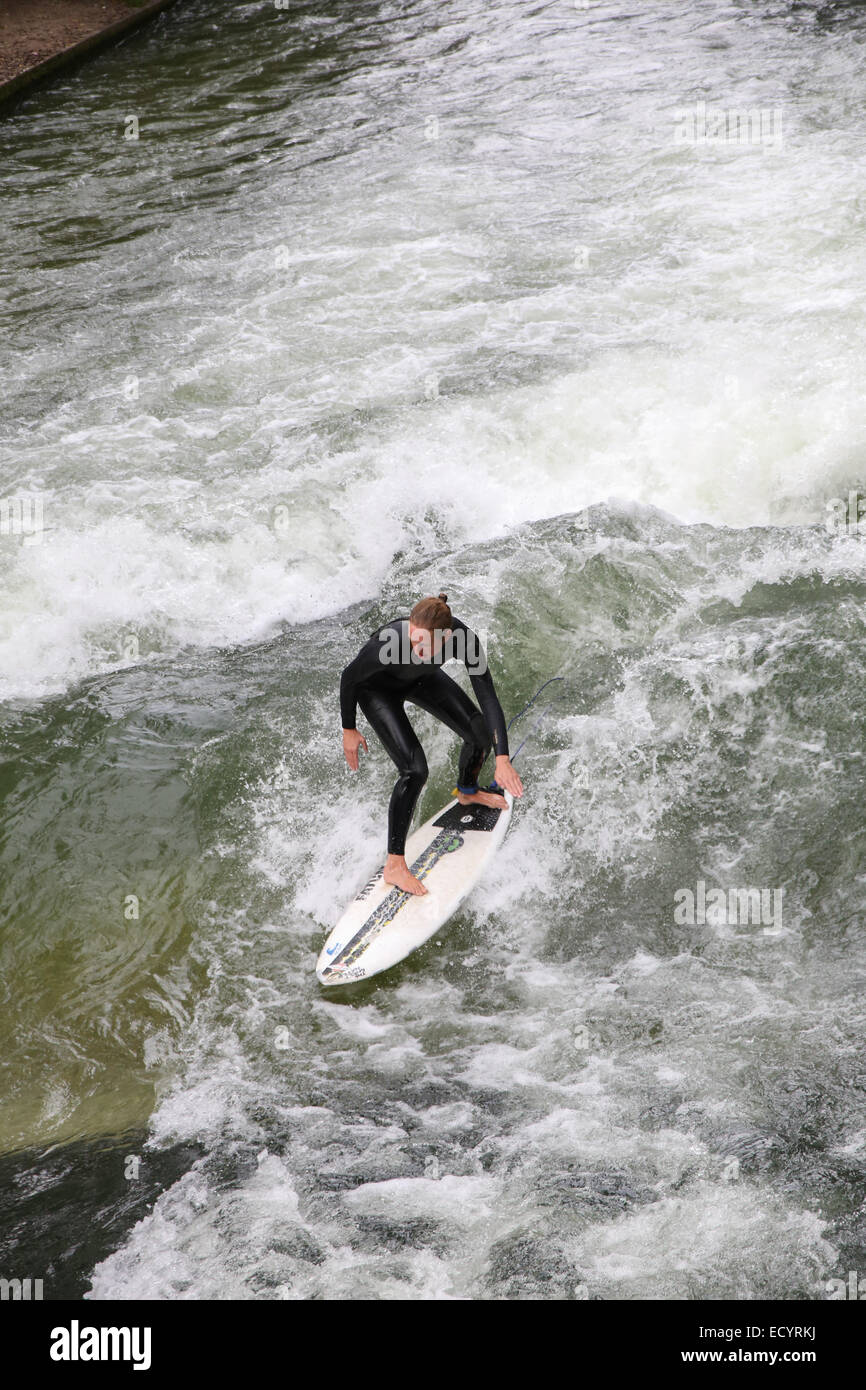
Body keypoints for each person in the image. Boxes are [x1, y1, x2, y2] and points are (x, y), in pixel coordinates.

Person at [340, 592, 524, 896]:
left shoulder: (463, 640)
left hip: (420, 679)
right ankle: (395, 865)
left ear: (446, 638)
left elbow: (488, 696)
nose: (413, 648)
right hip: (377, 692)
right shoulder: (389, 643)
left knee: (479, 734)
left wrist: (502, 758)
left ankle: (467, 791)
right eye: (412, 640)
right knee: (415, 770)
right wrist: (349, 728)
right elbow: (350, 677)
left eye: (422, 644)